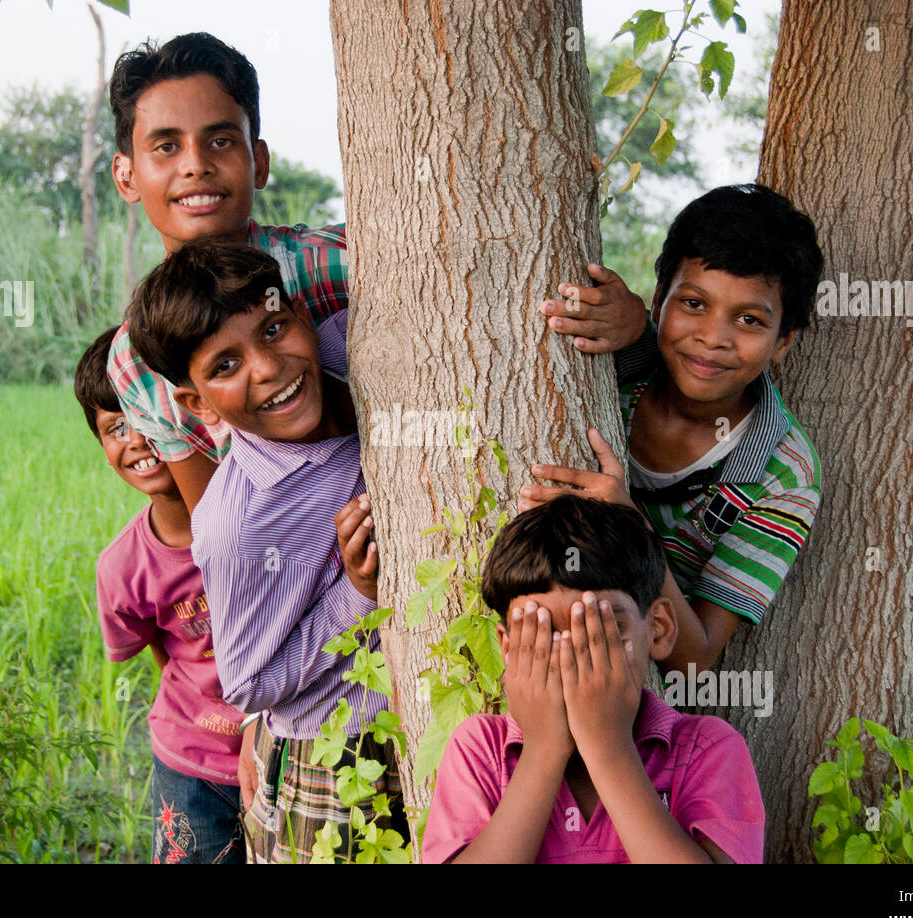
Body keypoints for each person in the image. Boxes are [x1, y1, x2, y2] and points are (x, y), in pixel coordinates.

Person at [101, 30, 648, 810]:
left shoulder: (336, 265)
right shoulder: (135, 363)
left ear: (258, 160)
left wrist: (628, 325)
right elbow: (223, 536)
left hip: (427, 576)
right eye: (166, 147)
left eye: (219, 140)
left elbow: (490, 285)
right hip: (317, 653)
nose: (195, 164)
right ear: (127, 174)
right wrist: (266, 711)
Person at [125, 239, 399, 863]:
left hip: (430, 716)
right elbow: (249, 683)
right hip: (338, 758)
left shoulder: (350, 347)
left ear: (304, 315)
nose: (268, 367)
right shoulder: (238, 524)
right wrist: (355, 595)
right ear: (195, 404)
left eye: (275, 329)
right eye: (224, 366)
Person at [521, 184, 825, 674]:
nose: (713, 338)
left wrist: (627, 527)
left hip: (629, 683)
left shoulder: (783, 475)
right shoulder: (619, 366)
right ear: (659, 298)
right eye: (694, 304)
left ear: (784, 341)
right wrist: (634, 324)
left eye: (748, 319)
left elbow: (695, 657)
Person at [422, 494, 765, 864]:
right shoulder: (483, 750)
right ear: (507, 650)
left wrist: (609, 747)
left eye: (602, 631)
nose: (572, 658)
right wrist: (543, 751)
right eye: (541, 635)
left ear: (659, 630)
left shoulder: (704, 749)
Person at [75, 327, 246, 864]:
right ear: (103, 449)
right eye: (115, 428)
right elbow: (163, 654)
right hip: (191, 763)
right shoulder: (123, 567)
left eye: (145, 417)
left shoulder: (253, 520)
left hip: (287, 747)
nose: (136, 439)